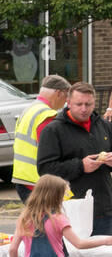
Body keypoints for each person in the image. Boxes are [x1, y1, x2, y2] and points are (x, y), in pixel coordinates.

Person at [36, 81, 112, 257]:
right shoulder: (54, 129)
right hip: (69, 209)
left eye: (89, 104)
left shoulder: (103, 125)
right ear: (68, 103)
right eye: (79, 104)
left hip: (102, 205)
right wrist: (79, 166)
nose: (84, 108)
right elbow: (45, 169)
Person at [12, 74, 71, 202]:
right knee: (47, 221)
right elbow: (51, 152)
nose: (66, 102)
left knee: (35, 221)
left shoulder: (29, 109)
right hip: (38, 181)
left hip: (22, 176)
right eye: (66, 96)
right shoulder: (47, 115)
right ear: (58, 93)